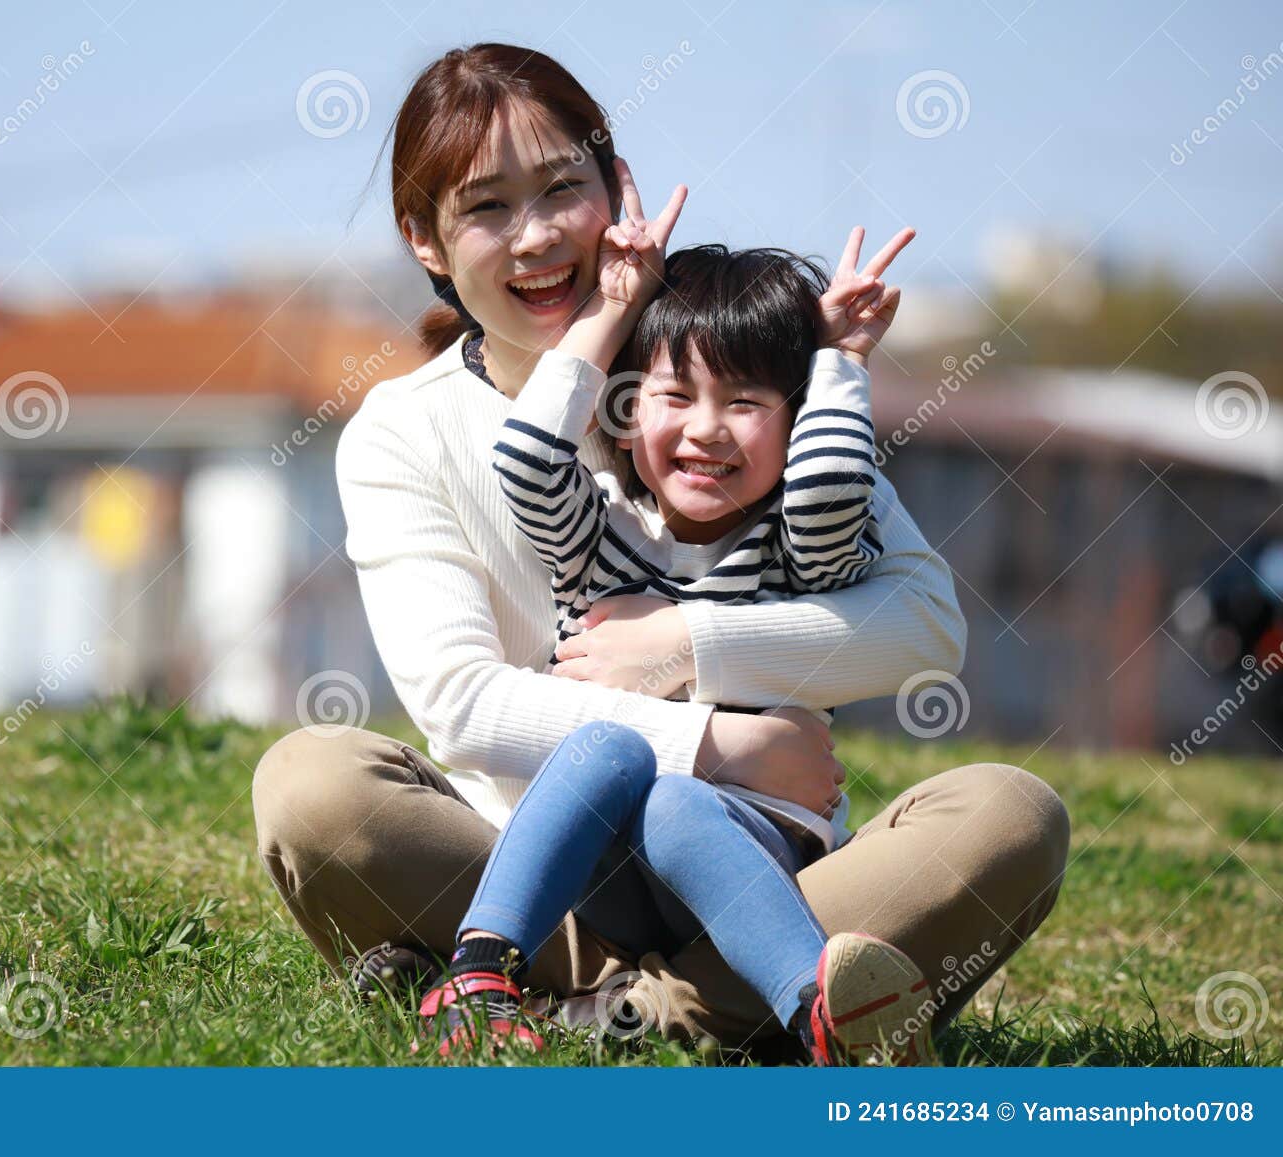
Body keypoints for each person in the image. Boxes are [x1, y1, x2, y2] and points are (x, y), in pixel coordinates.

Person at [251, 41, 1070, 1055]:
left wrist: (686, 640)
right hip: (521, 878)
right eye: (487, 207)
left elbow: (921, 622)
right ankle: (680, 1004)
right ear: (424, 238)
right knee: (312, 786)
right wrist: (713, 739)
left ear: (614, 187)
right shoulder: (401, 430)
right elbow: (460, 703)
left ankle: (604, 1008)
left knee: (1008, 812)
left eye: (563, 188)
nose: (539, 236)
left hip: (760, 873)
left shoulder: (707, 354)